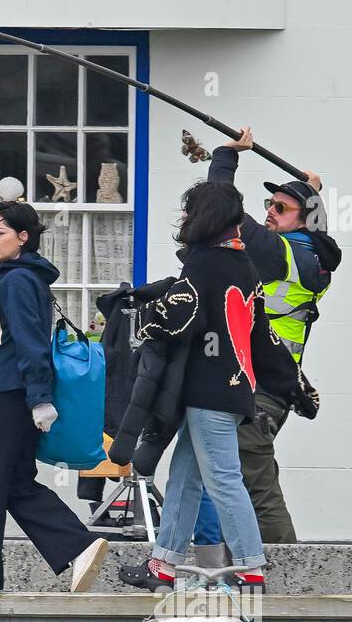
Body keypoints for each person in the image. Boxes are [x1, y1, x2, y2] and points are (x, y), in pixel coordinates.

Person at [120, 181, 309, 592]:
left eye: (189, 212)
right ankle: (163, 566)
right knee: (185, 479)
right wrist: (294, 382)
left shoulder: (202, 262)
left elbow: (181, 319)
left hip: (207, 392)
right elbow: (264, 337)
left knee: (224, 480)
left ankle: (250, 570)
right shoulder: (245, 269)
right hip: (233, 391)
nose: (184, 219)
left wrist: (145, 318)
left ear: (203, 217)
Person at [0, 201, 110, 593]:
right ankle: (79, 544)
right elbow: (12, 334)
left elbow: (30, 341)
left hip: (9, 396)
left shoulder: (17, 280)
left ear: (23, 237)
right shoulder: (19, 278)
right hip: (13, 392)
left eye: (0, 232)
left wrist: (39, 398)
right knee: (15, 483)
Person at [207, 128, 340, 542]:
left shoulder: (287, 254)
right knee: (235, 482)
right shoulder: (307, 254)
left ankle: (287, 579)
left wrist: (227, 156)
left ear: (303, 221)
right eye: (269, 203)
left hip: (261, 390)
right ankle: (237, 567)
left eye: (281, 207)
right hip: (265, 387)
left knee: (255, 486)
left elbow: (220, 211)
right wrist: (311, 190)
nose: (270, 211)